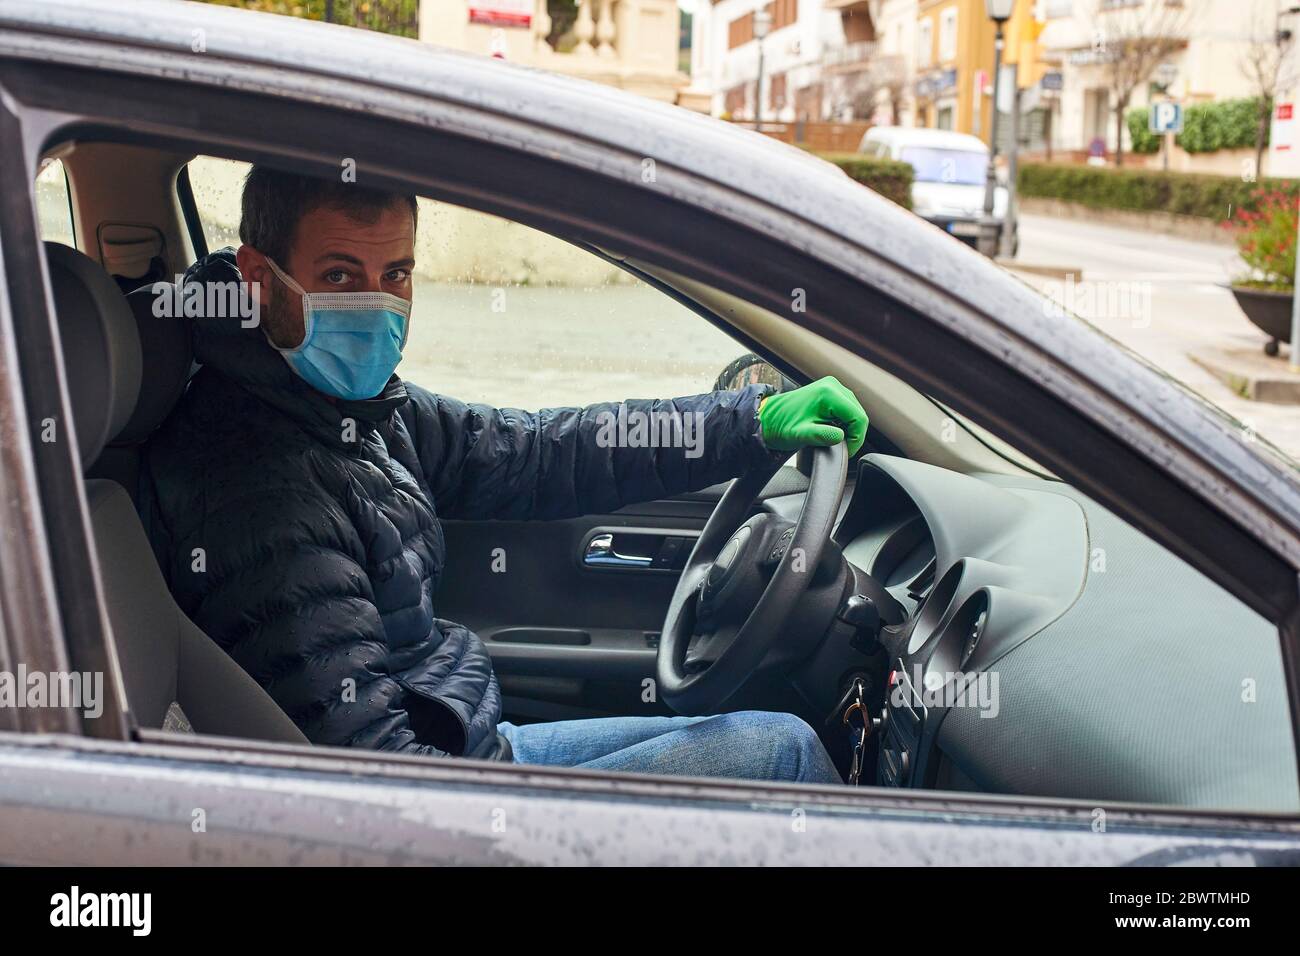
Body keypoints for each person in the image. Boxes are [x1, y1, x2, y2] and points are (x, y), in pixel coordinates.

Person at [142, 166, 869, 785]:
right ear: (257, 279)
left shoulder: (336, 406)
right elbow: (380, 791)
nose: (377, 303)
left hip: (473, 753)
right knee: (783, 755)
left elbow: (537, 452)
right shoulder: (260, 491)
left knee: (769, 738)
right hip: (448, 800)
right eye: (340, 276)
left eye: (395, 273)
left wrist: (750, 422)